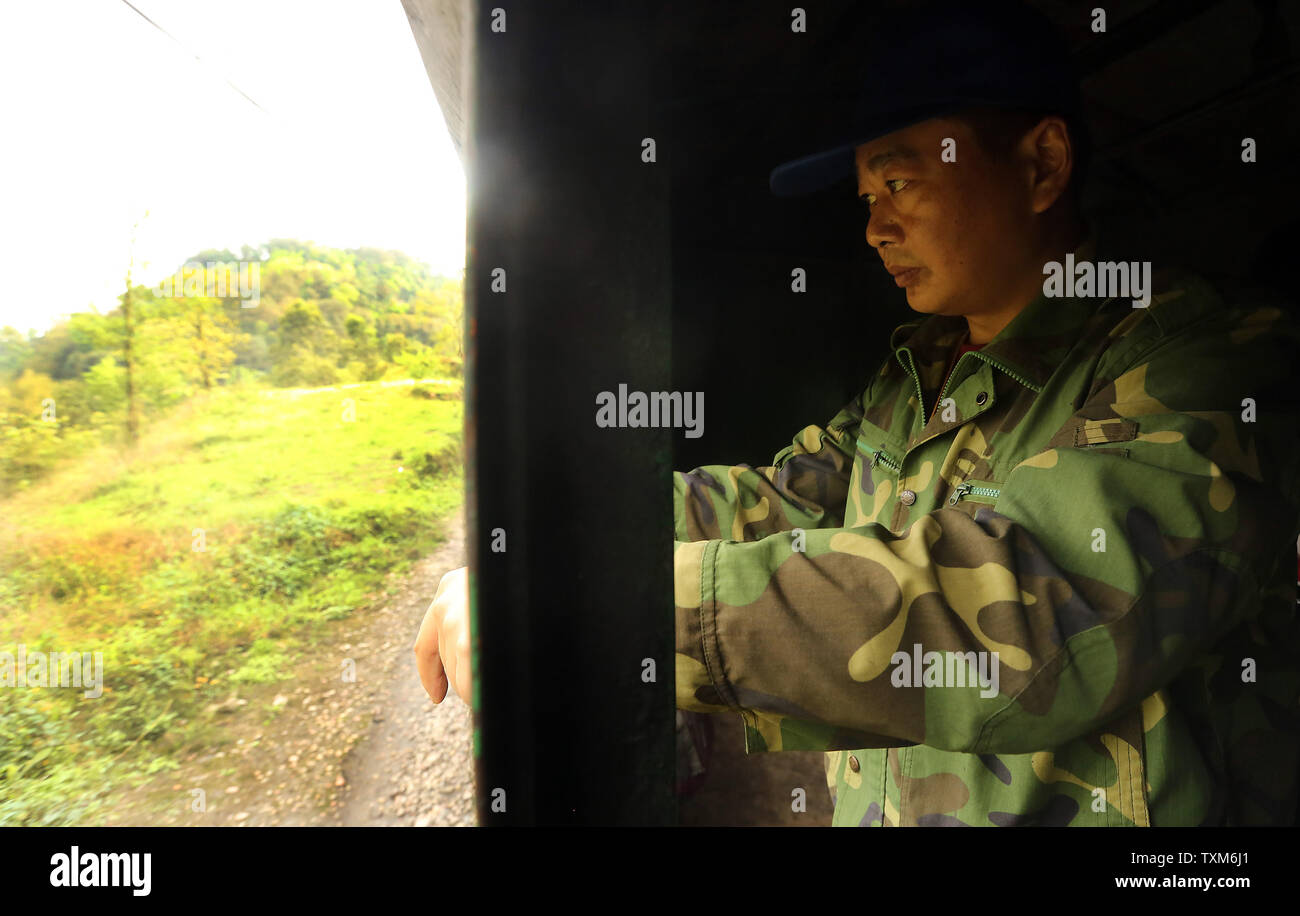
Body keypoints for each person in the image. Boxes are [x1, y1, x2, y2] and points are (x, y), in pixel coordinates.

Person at [416, 0, 1300, 826]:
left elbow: (1033, 611)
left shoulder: (1207, 357)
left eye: (901, 183)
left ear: (1043, 165)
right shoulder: (916, 368)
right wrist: (551, 549)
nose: (875, 229)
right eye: (867, 199)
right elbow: (783, 496)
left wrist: (588, 612)